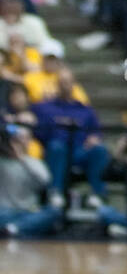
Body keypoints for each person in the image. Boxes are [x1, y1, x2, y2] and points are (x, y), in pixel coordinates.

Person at [32, 78, 110, 210]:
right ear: (57, 86)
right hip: (54, 151)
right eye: (62, 83)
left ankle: (98, 194)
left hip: (79, 150)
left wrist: (94, 138)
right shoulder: (43, 107)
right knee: (57, 147)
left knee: (100, 150)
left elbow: (97, 132)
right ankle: (55, 192)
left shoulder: (85, 110)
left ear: (74, 86)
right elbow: (34, 128)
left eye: (68, 82)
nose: (65, 86)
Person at [0, 124, 61, 237]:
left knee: (54, 212)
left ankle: (13, 228)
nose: (19, 142)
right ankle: (17, 228)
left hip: (27, 211)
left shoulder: (34, 162)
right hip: (3, 212)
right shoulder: (2, 161)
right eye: (15, 139)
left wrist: (21, 158)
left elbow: (45, 181)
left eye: (23, 138)